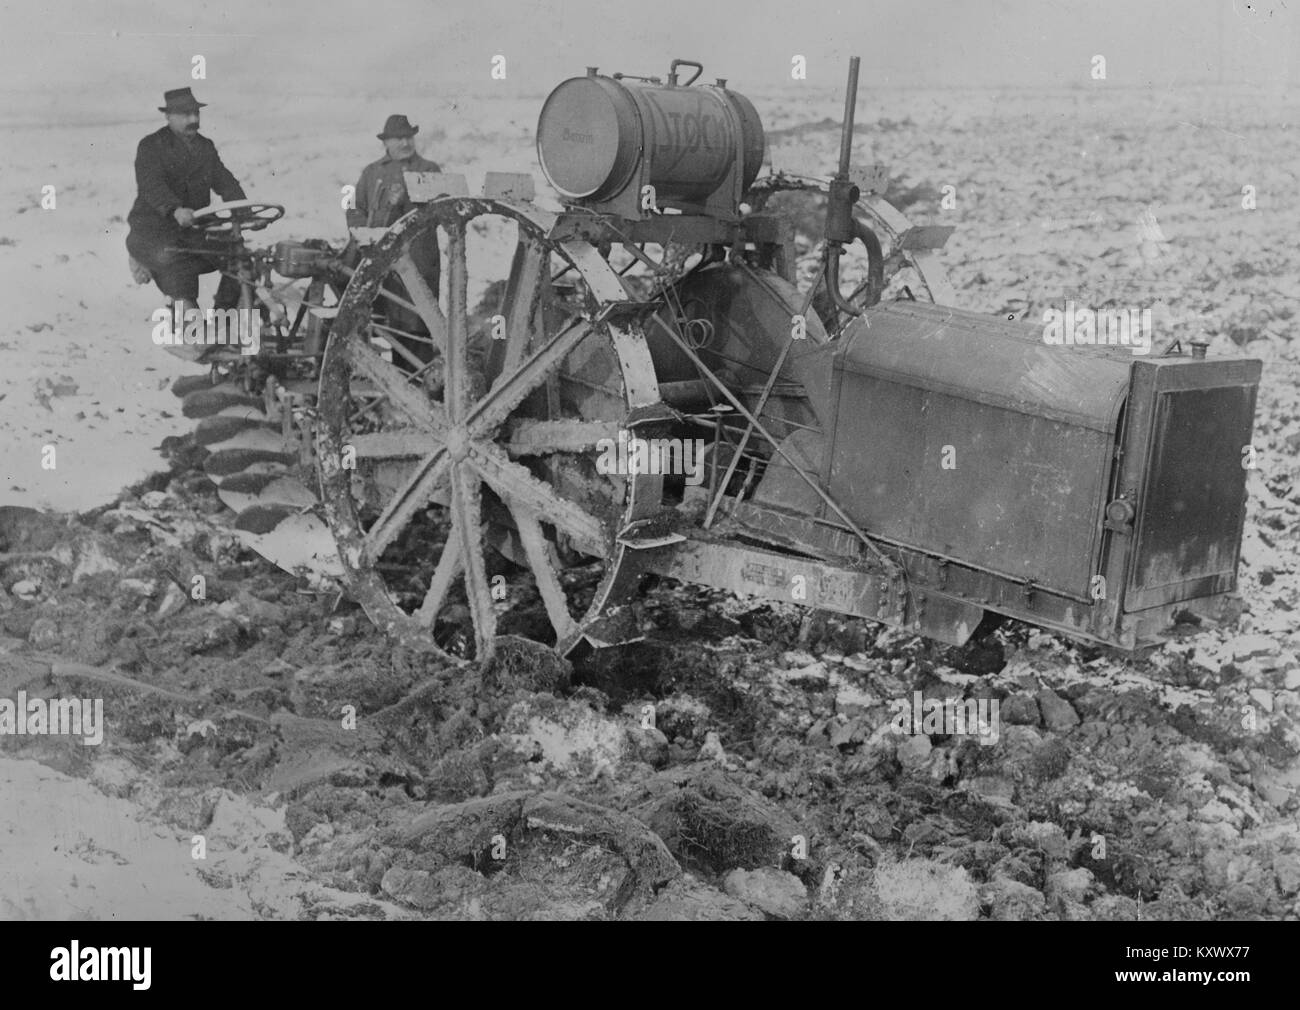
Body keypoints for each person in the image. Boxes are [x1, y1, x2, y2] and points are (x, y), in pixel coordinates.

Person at [126, 88, 247, 334]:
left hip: (194, 226)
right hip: (155, 229)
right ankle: (192, 329)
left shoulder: (205, 146)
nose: (193, 120)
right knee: (177, 265)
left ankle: (222, 325)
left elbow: (224, 180)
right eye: (184, 114)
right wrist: (174, 209)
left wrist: (243, 207)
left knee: (239, 258)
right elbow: (152, 185)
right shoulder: (151, 146)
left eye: (195, 113)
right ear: (168, 117)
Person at [346, 115, 442, 367]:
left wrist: (407, 200)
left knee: (419, 324)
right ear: (386, 142)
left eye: (408, 137)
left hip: (418, 261)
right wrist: (359, 232)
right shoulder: (372, 172)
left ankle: (423, 385)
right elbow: (356, 209)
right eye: (398, 138)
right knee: (390, 325)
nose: (405, 142)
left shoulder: (428, 169)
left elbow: (441, 210)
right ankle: (400, 383)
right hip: (382, 264)